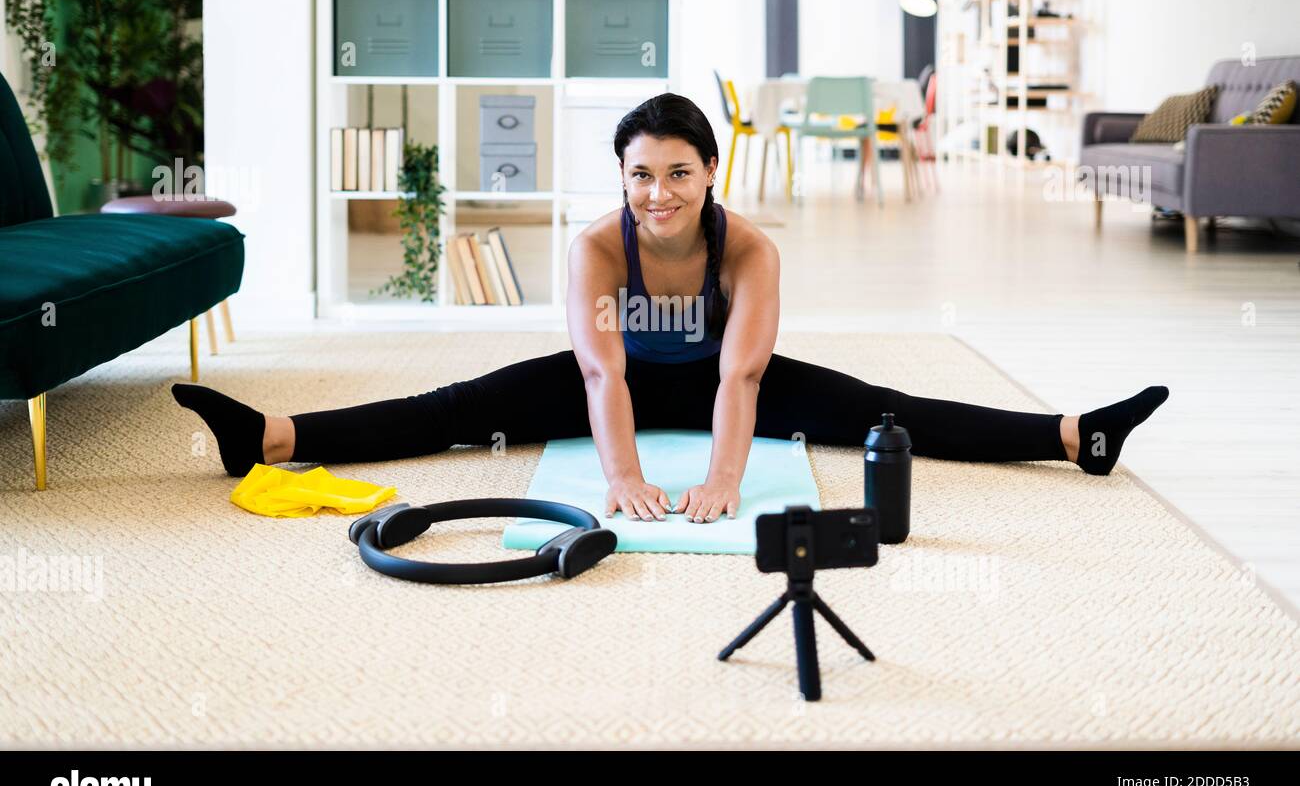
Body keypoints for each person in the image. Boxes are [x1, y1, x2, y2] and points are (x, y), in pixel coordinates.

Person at [174, 93, 1168, 524]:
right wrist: (627, 472)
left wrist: (722, 474)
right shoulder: (595, 247)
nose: (658, 192)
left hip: (726, 385)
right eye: (640, 173)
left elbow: (740, 372)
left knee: (882, 411)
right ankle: (267, 433)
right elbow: (601, 371)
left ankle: (1072, 432)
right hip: (617, 388)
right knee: (457, 405)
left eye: (677, 173)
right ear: (621, 174)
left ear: (708, 172)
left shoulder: (749, 247)